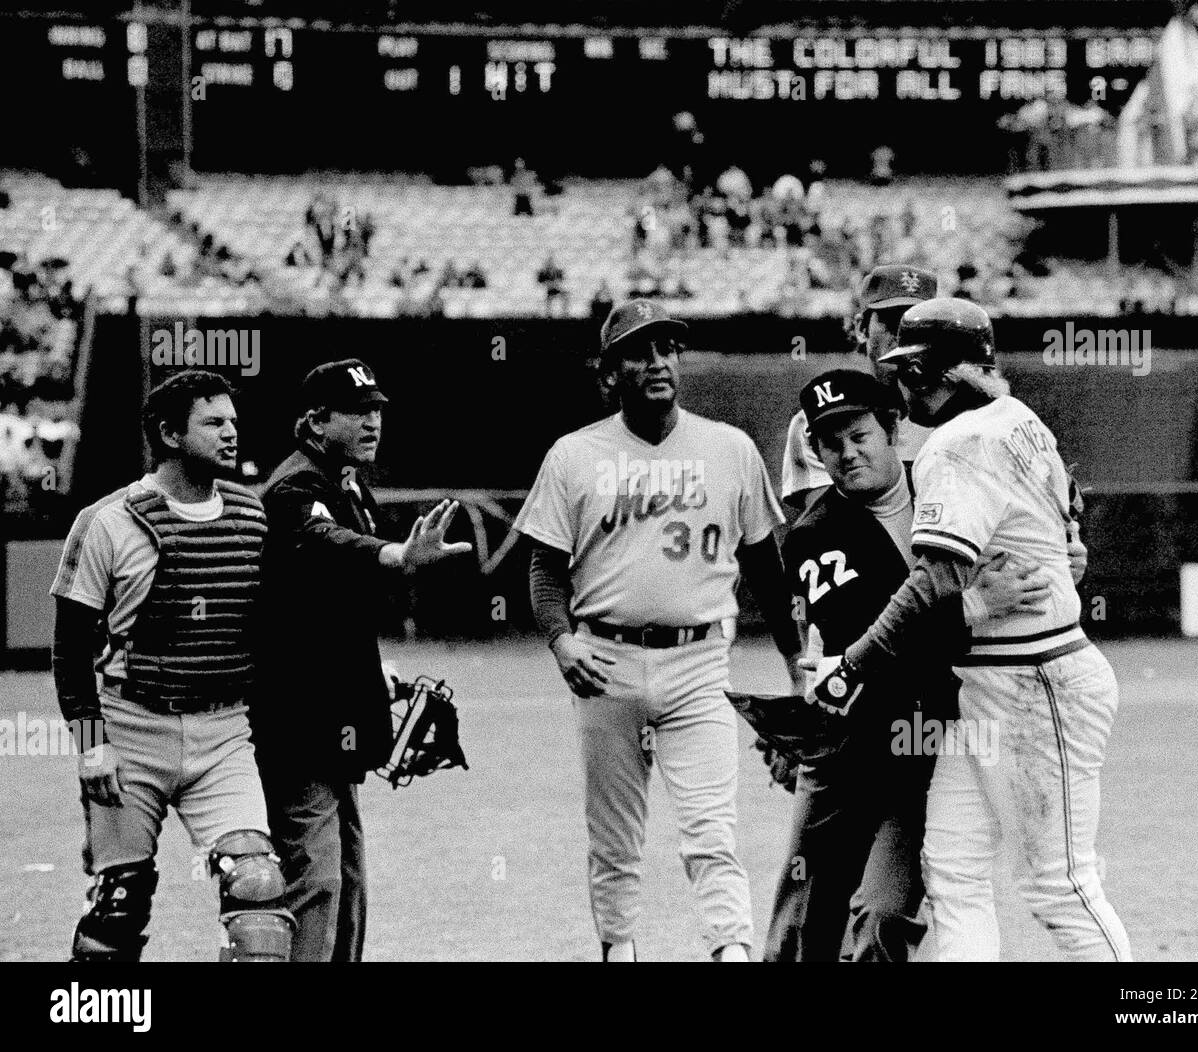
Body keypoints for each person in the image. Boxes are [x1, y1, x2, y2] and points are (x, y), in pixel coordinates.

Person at [804, 299, 1132, 962]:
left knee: (1060, 887)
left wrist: (849, 668)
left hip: (1034, 681)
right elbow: (1061, 519)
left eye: (914, 369)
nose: (903, 383)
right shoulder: (1018, 417)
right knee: (953, 871)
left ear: (949, 372)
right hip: (995, 681)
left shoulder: (956, 445)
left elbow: (934, 583)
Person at [516, 299, 802, 962]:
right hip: (607, 660)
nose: (658, 362)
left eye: (667, 348)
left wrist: (798, 661)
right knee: (613, 841)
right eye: (640, 352)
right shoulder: (575, 455)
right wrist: (562, 639)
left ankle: (729, 950)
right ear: (611, 370)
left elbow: (766, 566)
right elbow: (544, 569)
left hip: (699, 661)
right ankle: (620, 949)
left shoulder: (728, 449)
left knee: (712, 832)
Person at [765, 368, 1050, 962]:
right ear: (814, 451)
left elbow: (1027, 547)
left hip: (934, 745)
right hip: (855, 748)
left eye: (859, 435)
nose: (846, 453)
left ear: (893, 429)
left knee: (883, 913)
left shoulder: (950, 485)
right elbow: (872, 644)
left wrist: (1062, 555)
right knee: (803, 927)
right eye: (829, 442)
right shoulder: (815, 537)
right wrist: (972, 606)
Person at [50, 369, 293, 962]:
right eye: (214, 423)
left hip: (224, 732)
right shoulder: (108, 521)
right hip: (129, 731)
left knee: (259, 891)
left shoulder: (252, 516)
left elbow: (274, 631)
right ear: (170, 433)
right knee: (119, 907)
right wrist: (91, 744)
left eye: (233, 421)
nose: (231, 433)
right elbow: (69, 652)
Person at [254, 359, 470, 962]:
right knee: (315, 883)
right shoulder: (295, 488)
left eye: (377, 409)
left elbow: (324, 605)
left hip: (333, 707)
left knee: (348, 882)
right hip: (298, 719)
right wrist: (396, 554)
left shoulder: (347, 482)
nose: (374, 420)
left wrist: (374, 672)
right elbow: (327, 546)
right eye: (358, 410)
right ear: (316, 422)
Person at [781, 264, 938, 514]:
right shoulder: (818, 421)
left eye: (919, 324)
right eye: (892, 322)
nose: (905, 336)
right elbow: (829, 527)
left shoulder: (961, 417)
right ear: (862, 329)